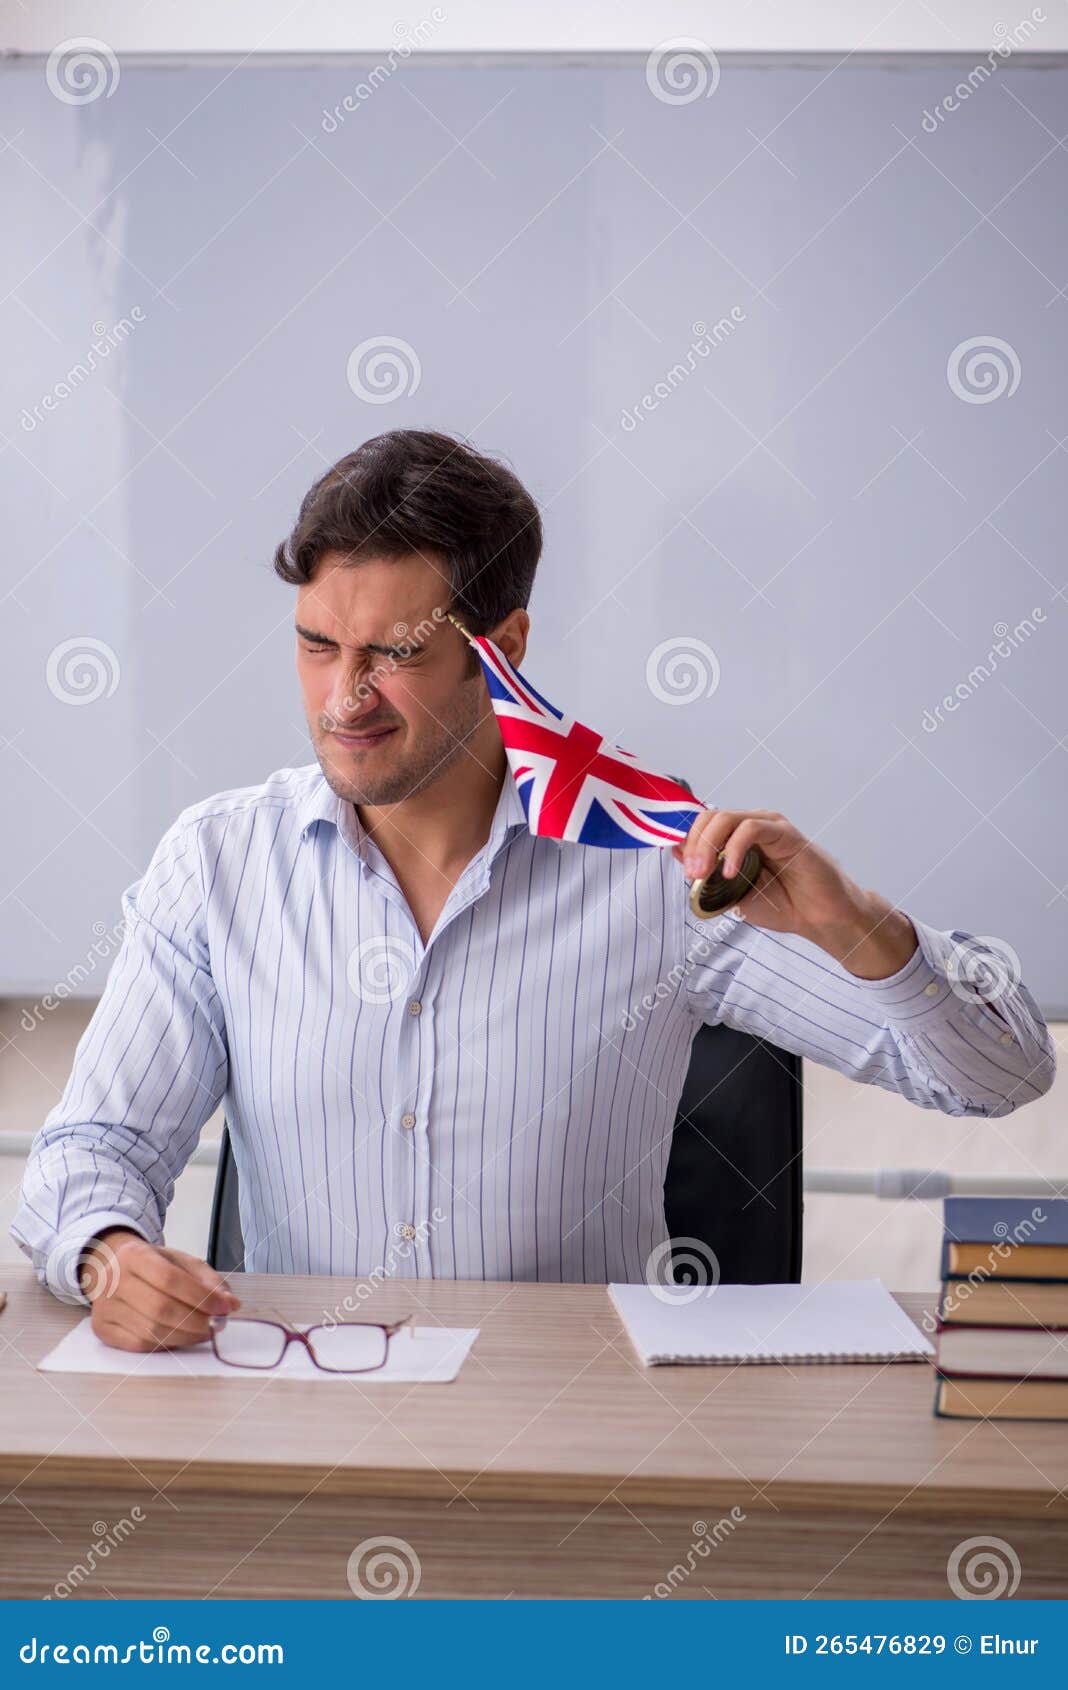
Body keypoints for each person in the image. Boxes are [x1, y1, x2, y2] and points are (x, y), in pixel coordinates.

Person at [11, 430, 1055, 1353]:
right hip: (310, 1422)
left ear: (502, 649)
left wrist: (853, 925)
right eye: (318, 645)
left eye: (395, 653)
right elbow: (96, 1148)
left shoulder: (658, 869)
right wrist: (107, 1253)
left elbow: (999, 1075)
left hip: (576, 1446)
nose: (344, 698)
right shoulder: (218, 865)